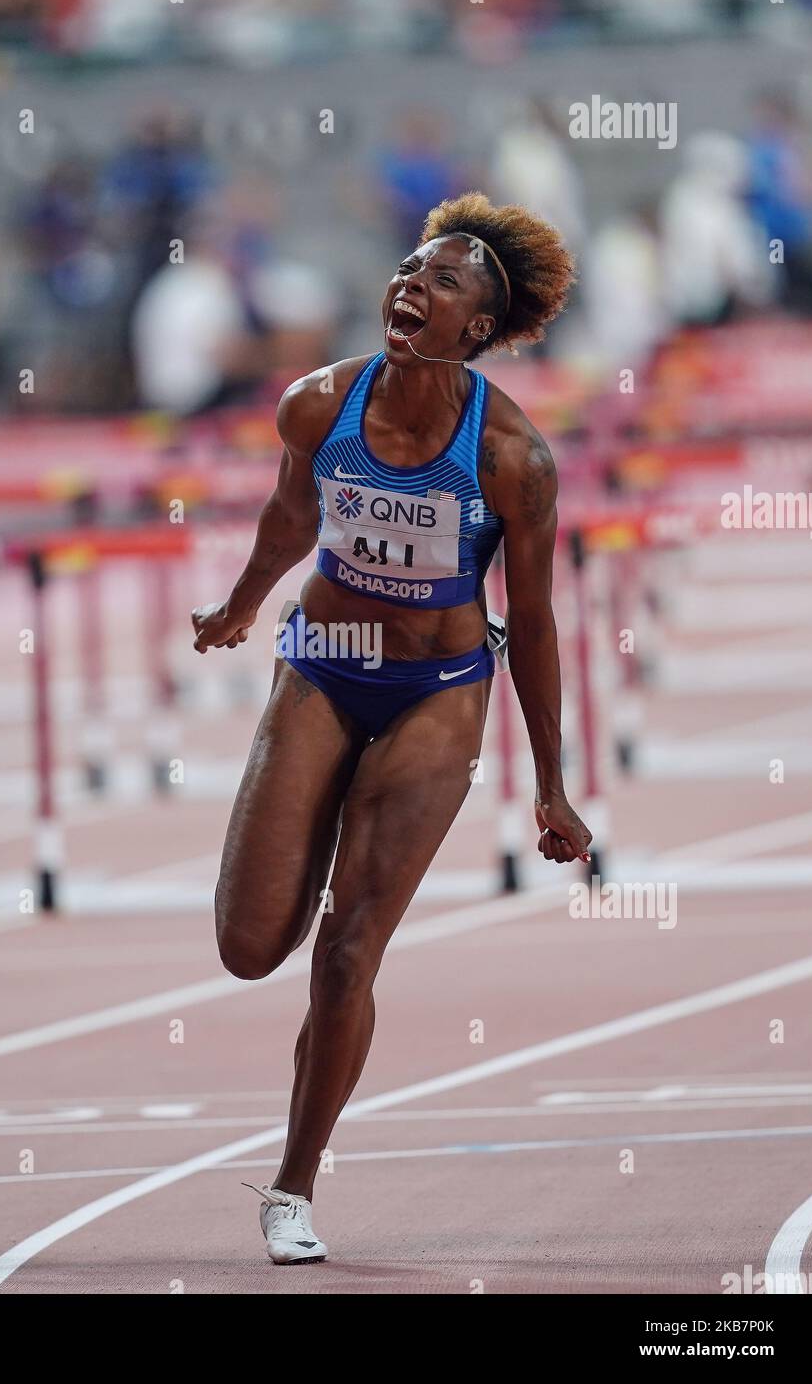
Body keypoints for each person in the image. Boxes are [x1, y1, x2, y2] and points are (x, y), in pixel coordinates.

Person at [192, 191, 591, 1265]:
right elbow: (289, 512)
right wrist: (240, 602)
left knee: (346, 950)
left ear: (476, 329)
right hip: (322, 670)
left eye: (442, 281)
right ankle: (314, 817)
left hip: (435, 690)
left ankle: (290, 1187)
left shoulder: (511, 457)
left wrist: (549, 786)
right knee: (246, 946)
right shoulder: (318, 405)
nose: (411, 285)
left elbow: (539, 622)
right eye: (408, 268)